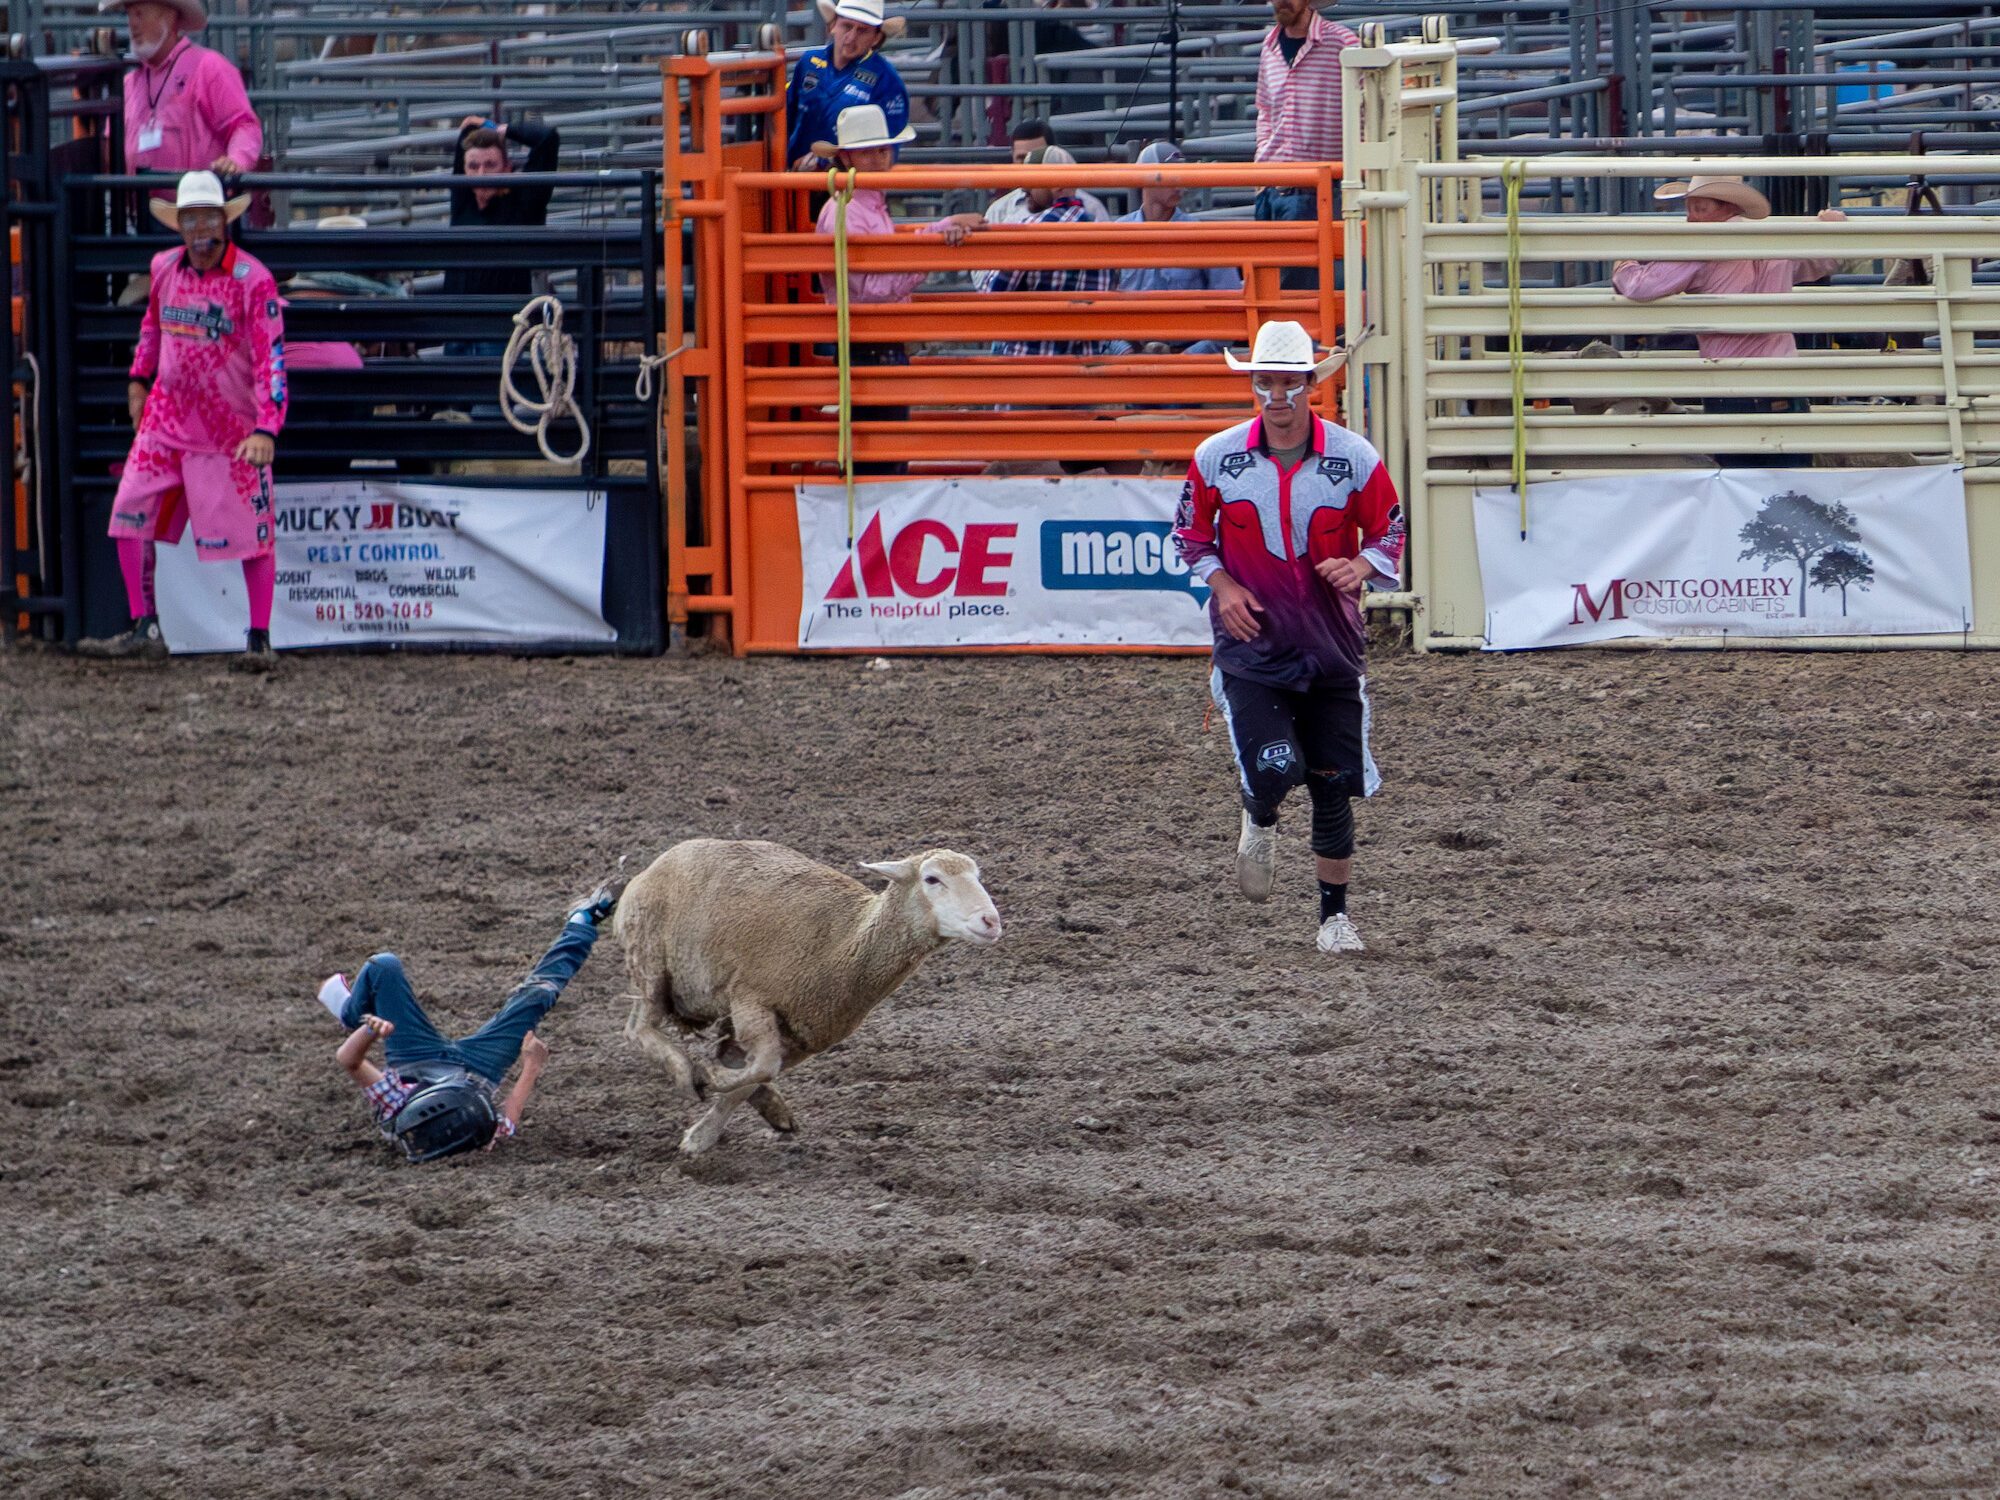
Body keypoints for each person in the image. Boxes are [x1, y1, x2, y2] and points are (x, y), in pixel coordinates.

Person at [1172, 320, 1404, 955]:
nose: (1277, 395)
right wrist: (1222, 586)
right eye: (1265, 383)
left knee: (1331, 781)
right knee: (1279, 768)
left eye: (1289, 383)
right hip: (1254, 651)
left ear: (1311, 384)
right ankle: (1260, 811)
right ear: (1252, 385)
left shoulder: (1352, 458)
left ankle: (1334, 918)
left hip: (1332, 650)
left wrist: (1359, 567)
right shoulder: (1216, 457)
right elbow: (1190, 536)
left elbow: (1392, 532)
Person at [79, 171, 284, 670]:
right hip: (166, 418)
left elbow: (271, 358)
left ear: (224, 221)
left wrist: (266, 427)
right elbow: (151, 327)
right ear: (179, 225)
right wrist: (137, 379)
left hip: (229, 430)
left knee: (252, 535)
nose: (199, 229)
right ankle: (144, 625)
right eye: (190, 219)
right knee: (129, 513)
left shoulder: (253, 281)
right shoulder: (165, 268)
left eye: (208, 218)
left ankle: (259, 638)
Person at [323, 881, 623, 1163]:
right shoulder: (476, 1132)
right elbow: (507, 1121)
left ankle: (350, 1012)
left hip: (415, 1059)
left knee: (384, 966)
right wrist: (531, 1066)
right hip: (479, 1071)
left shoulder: (397, 1108)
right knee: (535, 997)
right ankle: (581, 923)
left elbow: (348, 1059)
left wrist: (369, 1029)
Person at [1613, 175, 1846, 468]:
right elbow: (1825, 261)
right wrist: (1831, 226)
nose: (1690, 219)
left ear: (1726, 208)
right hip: (1784, 384)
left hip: (1731, 386)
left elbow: (1640, 287)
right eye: (1689, 208)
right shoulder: (1776, 239)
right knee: (1792, 488)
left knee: (1737, 489)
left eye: (1700, 209)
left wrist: (1622, 265)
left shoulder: (1701, 244)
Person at [815, 104, 985, 474]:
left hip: (877, 346)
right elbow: (875, 288)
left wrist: (937, 232)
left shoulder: (863, 206)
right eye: (869, 151)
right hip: (868, 348)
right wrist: (934, 240)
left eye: (882, 149)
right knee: (879, 460)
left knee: (884, 457)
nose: (879, 158)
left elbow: (878, 278)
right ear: (846, 157)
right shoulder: (846, 210)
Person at [1254, 0, 1359, 292]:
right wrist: (1262, 160)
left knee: (1306, 299)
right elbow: (1264, 109)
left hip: (1318, 192)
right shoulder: (1269, 46)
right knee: (1273, 295)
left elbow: (1365, 109)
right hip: (1273, 189)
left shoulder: (1342, 44)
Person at [104, 0, 262, 185]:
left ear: (170, 18)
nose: (132, 23)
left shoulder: (208, 67)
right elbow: (109, 147)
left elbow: (243, 125)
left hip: (197, 208)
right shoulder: (129, 84)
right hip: (141, 209)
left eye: (140, 14)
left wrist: (236, 160)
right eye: (129, 15)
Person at [977, 146, 1115, 358]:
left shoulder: (1029, 229)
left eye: (1032, 179)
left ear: (1056, 183)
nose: (1024, 188)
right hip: (1084, 370)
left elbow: (991, 293)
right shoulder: (1101, 231)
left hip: (1031, 367)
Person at [444, 115, 562, 357]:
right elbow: (464, 137)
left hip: (503, 327)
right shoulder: (463, 197)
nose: (481, 174)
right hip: (459, 326)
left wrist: (497, 128)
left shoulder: (524, 201)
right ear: (464, 170)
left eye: (490, 165)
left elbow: (548, 138)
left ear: (507, 168)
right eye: (473, 167)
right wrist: (476, 129)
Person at [1115, 140, 1242, 355]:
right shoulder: (1117, 234)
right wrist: (1124, 351)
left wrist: (1189, 357)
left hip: (1185, 353)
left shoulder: (1203, 237)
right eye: (1170, 174)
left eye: (1180, 174)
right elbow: (1094, 300)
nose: (1179, 183)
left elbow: (1231, 313)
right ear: (1145, 178)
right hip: (1131, 355)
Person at [787, 0, 911, 174]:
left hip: (850, 184)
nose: (851, 37)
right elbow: (786, 116)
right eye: (847, 26)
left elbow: (886, 149)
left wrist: (823, 162)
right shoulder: (808, 63)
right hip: (797, 179)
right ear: (833, 26)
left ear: (876, 38)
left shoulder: (886, 80)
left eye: (862, 31)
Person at [984, 119, 1112, 224]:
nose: (1029, 167)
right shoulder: (998, 211)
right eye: (1022, 158)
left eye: (1038, 157)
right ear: (1012, 157)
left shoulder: (1092, 207)